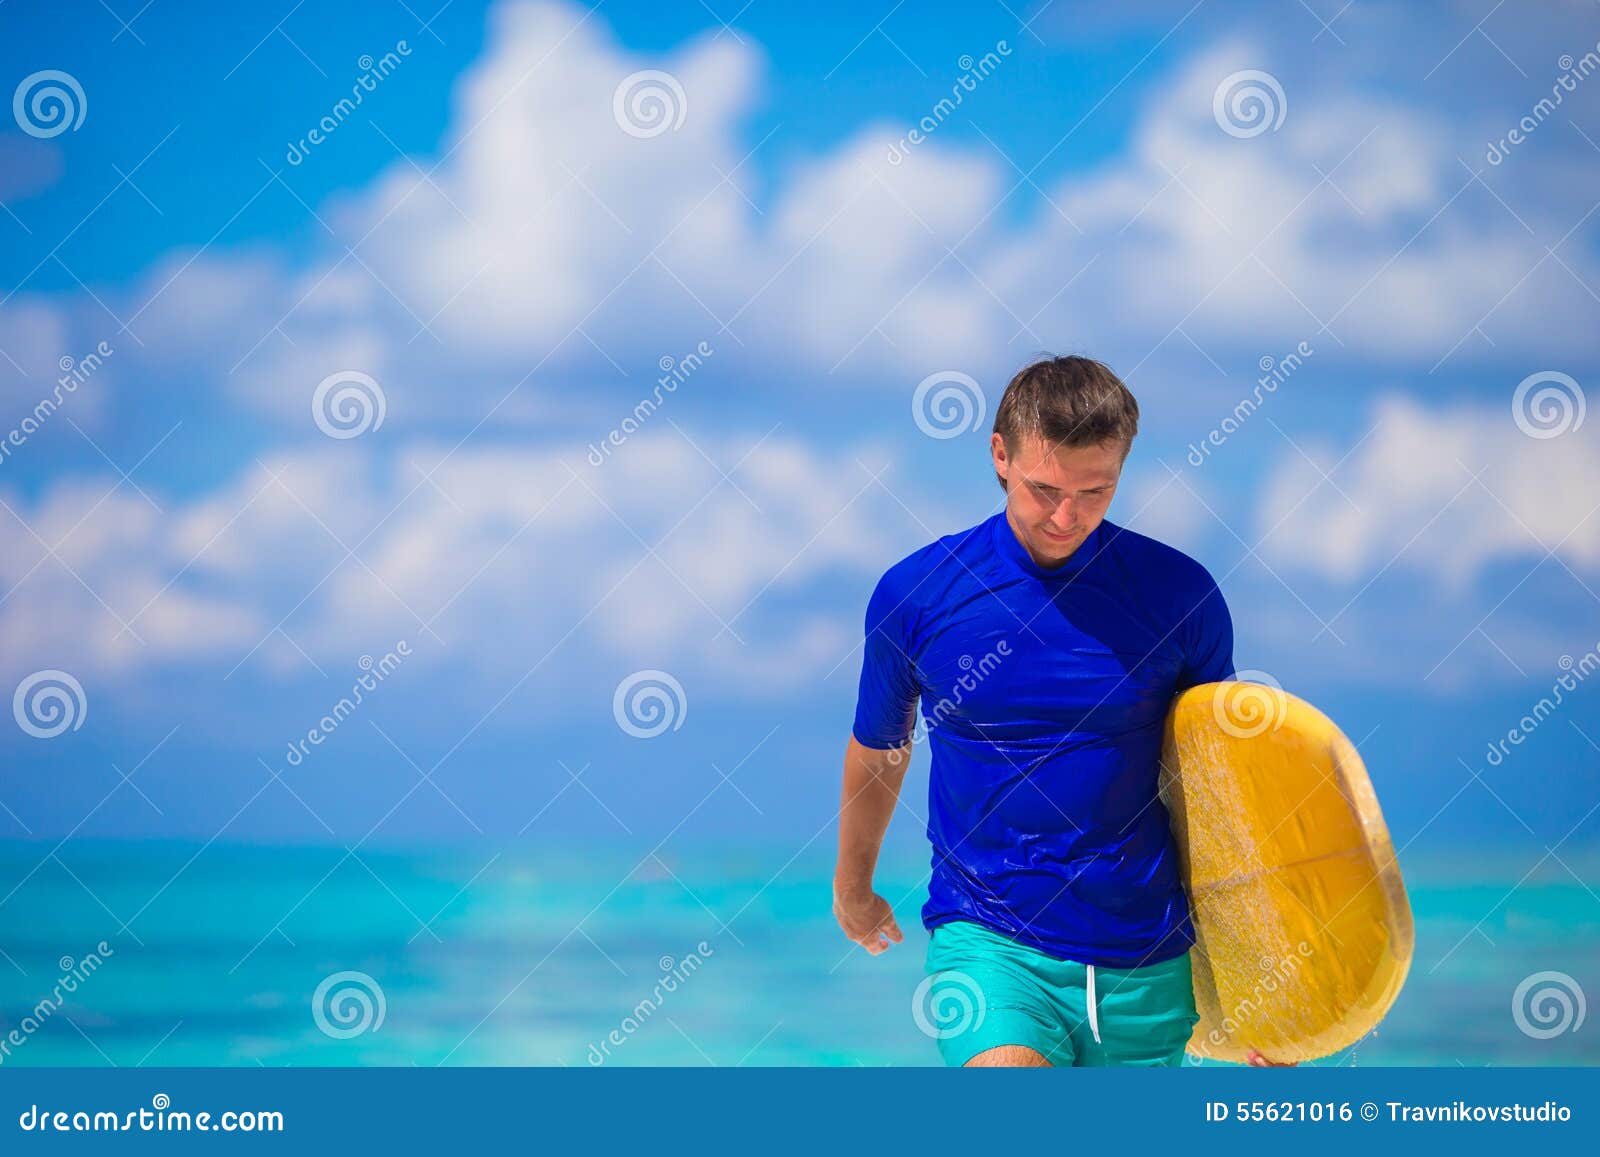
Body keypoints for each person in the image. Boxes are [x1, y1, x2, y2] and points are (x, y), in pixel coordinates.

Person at [833, 355, 1289, 1068]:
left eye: (1095, 490)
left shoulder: (1179, 596)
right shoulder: (919, 594)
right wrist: (852, 886)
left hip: (1145, 959)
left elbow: (1218, 788)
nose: (1065, 516)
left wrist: (1257, 978)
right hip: (990, 940)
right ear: (999, 455)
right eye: (1043, 489)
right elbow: (881, 747)